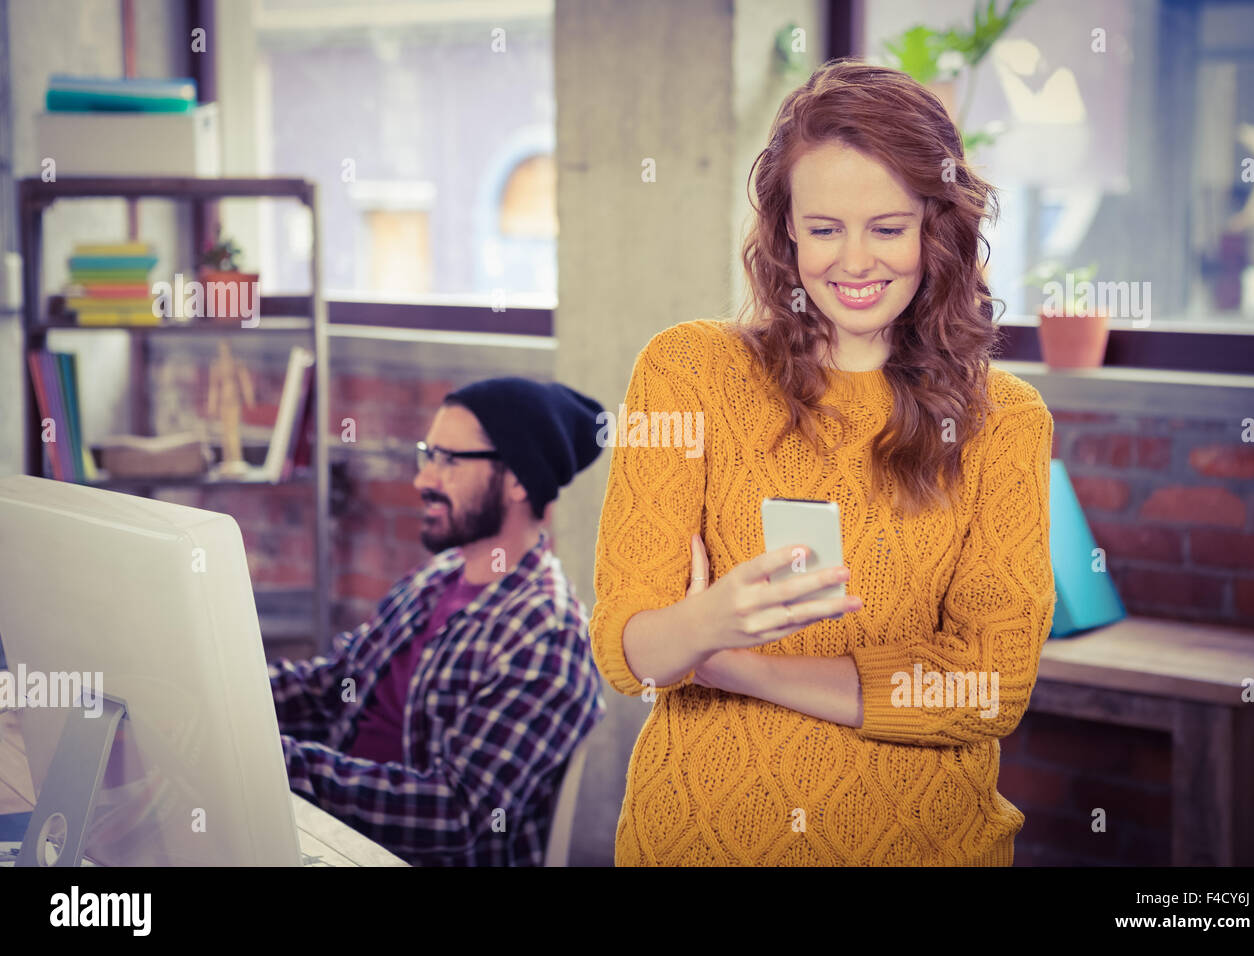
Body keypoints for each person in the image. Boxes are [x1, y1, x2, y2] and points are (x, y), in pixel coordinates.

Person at [589, 60, 1056, 866]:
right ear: (785, 230)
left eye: (888, 226)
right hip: (699, 840)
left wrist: (729, 663)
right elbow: (627, 653)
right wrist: (702, 626)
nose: (855, 262)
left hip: (922, 846)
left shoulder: (1003, 421)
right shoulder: (686, 372)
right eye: (824, 227)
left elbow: (989, 691)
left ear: (934, 228)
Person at [268, 377, 607, 866]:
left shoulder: (546, 635)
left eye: (449, 460)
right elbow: (330, 686)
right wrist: (225, 692)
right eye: (428, 454)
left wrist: (278, 766)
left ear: (517, 479)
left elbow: (457, 817)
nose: (423, 479)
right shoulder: (435, 581)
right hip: (328, 840)